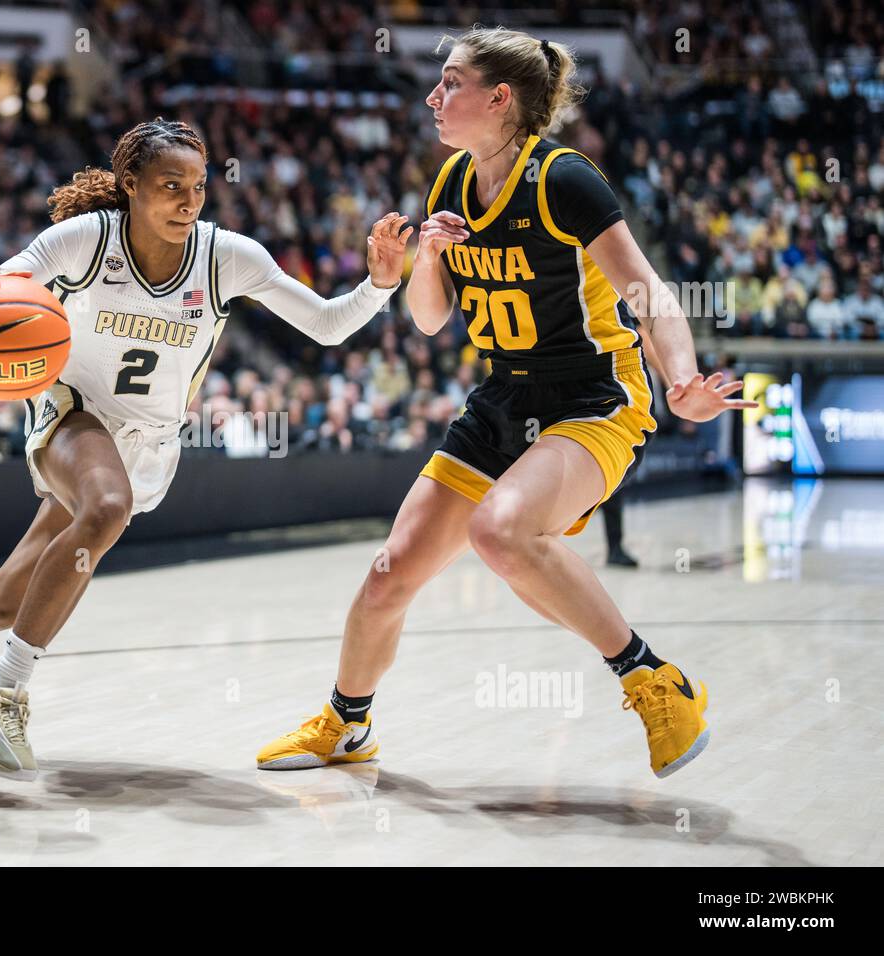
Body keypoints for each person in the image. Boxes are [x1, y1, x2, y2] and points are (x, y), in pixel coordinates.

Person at [0, 118, 412, 780]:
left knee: (3, 605)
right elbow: (5, 280)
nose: (189, 201)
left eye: (198, 186)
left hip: (150, 446)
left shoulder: (226, 256)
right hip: (71, 416)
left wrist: (381, 284)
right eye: (170, 186)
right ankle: (3, 694)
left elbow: (328, 326)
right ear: (130, 185)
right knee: (105, 507)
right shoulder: (85, 239)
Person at [256, 27, 755, 780]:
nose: (433, 96)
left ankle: (653, 678)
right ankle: (347, 724)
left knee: (501, 531)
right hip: (501, 397)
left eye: (450, 82)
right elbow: (429, 317)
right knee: (392, 572)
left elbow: (647, 292)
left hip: (593, 396)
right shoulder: (452, 183)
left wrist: (681, 376)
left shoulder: (564, 179)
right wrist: (427, 258)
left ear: (500, 98)